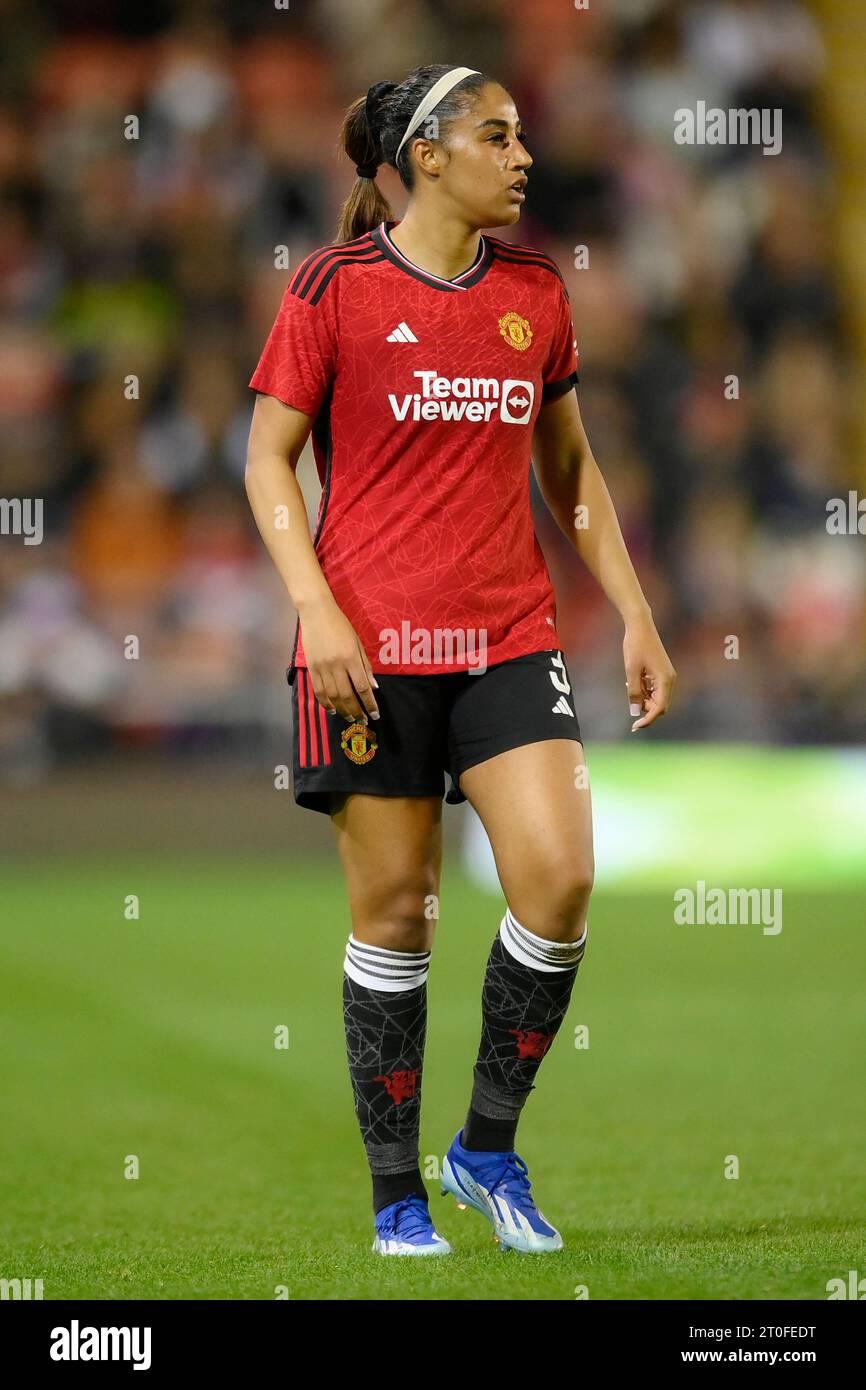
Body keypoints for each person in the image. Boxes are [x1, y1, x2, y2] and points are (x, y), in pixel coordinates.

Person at [245, 64, 676, 1256]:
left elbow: (570, 469)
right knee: (394, 916)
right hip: (367, 650)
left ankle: (485, 1146)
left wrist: (633, 613)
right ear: (425, 154)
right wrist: (315, 611)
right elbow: (264, 462)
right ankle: (396, 1193)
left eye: (523, 133)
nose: (522, 154)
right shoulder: (332, 287)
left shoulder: (534, 294)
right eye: (498, 134)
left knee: (559, 880)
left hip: (506, 638)